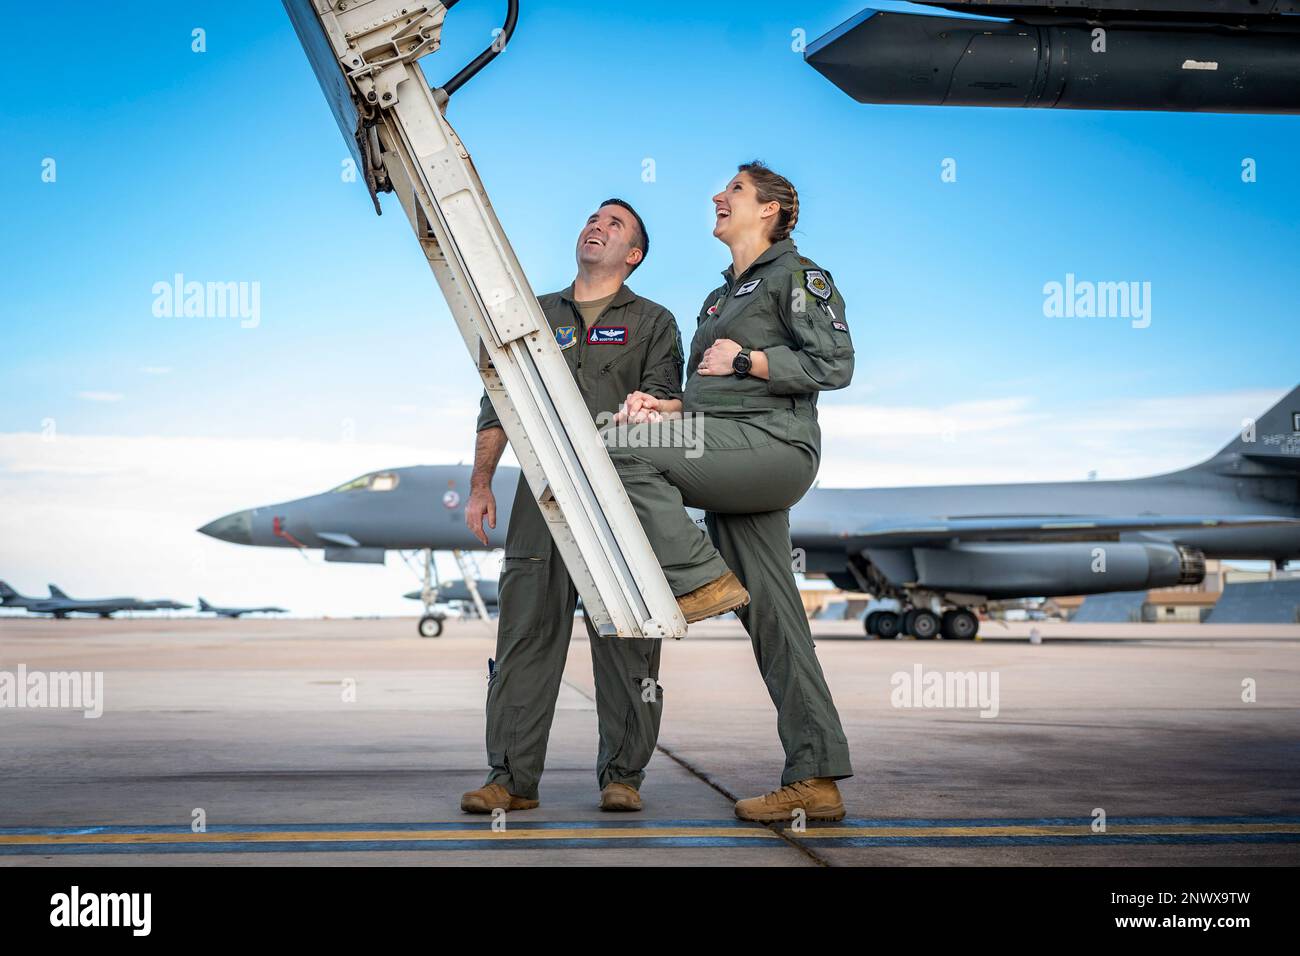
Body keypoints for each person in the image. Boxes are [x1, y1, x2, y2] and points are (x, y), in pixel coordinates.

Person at [608, 161, 854, 822]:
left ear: (769, 210)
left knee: (615, 452)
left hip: (775, 449)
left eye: (736, 190)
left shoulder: (798, 278)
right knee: (777, 622)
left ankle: (696, 579)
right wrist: (666, 408)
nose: (720, 196)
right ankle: (818, 776)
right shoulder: (719, 300)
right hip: (729, 449)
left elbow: (837, 364)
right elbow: (711, 400)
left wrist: (750, 360)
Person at [460, 199, 684, 815]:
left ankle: (623, 777)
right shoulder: (531, 313)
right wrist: (482, 484)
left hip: (621, 498)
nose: (596, 227)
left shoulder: (654, 322)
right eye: (593, 218)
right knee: (525, 634)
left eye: (615, 225)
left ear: (633, 255)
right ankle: (509, 778)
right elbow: (496, 401)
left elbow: (667, 404)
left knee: (629, 640)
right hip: (542, 498)